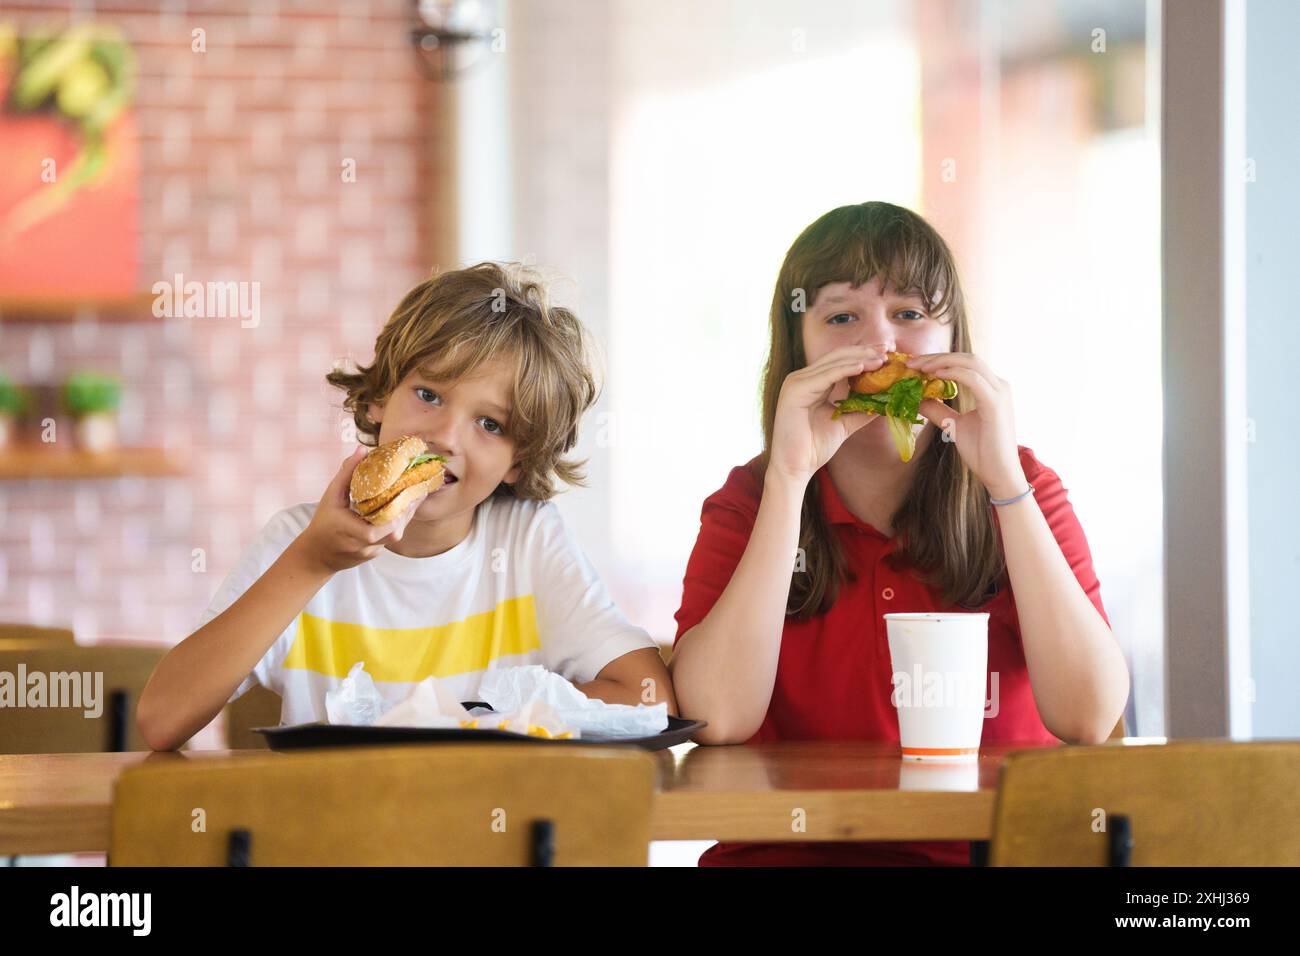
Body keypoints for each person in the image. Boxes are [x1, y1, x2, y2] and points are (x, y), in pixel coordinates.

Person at [669, 202, 1128, 865]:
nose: (880, 343)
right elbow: (718, 715)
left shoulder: (1024, 484)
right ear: (796, 345)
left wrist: (1002, 481)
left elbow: (1088, 715)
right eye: (840, 316)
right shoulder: (748, 502)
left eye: (910, 314)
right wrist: (791, 477)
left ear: (954, 340)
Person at [139, 262, 674, 751]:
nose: (445, 436)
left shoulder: (526, 541)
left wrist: (470, 717)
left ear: (518, 461)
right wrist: (313, 562)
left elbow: (651, 698)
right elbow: (162, 719)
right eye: (429, 395)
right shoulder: (298, 540)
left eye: (490, 424)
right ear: (378, 398)